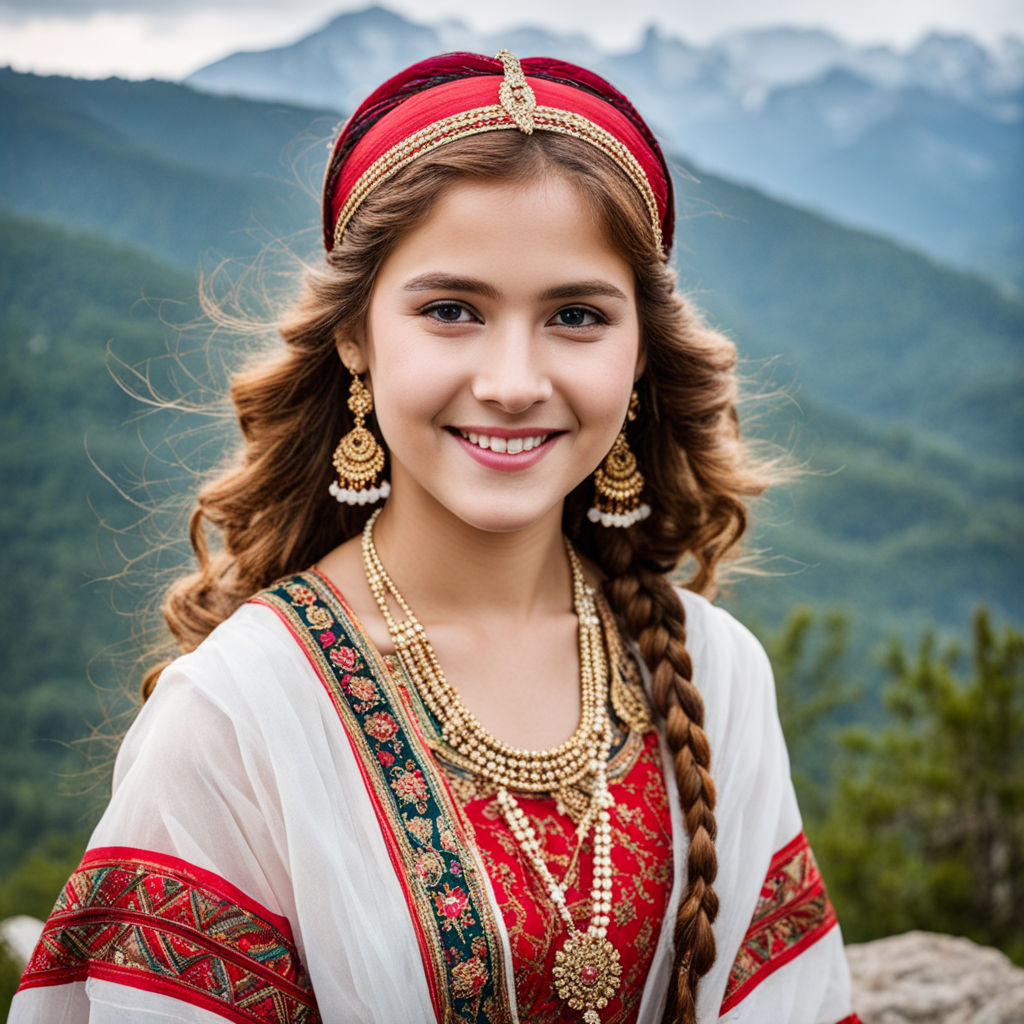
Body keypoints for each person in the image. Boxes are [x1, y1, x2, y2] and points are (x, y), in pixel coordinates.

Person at [9, 50, 861, 1024]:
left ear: (638, 356)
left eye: (576, 315)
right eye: (451, 309)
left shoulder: (713, 671)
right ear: (357, 336)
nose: (511, 379)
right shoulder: (243, 714)